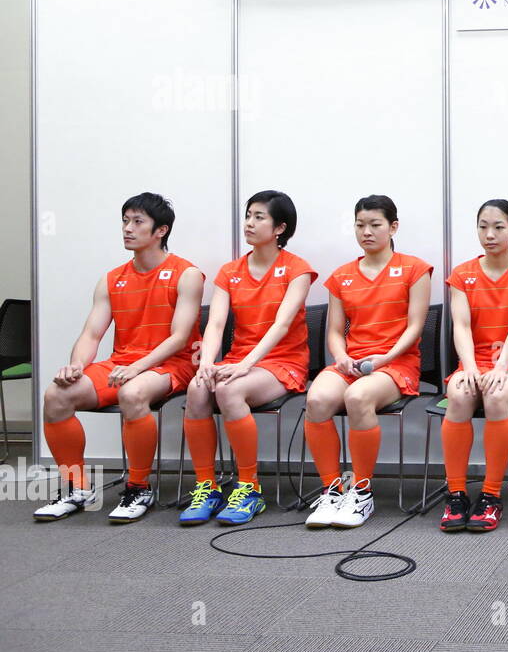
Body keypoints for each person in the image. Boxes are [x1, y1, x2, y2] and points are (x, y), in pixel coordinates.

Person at [35, 193, 203, 523]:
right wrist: (77, 366)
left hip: (174, 364)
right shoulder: (111, 279)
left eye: (137, 222)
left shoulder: (187, 274)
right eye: (125, 221)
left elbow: (180, 337)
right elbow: (91, 334)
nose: (127, 228)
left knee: (133, 393)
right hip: (123, 362)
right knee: (57, 395)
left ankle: (139, 487)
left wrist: (138, 368)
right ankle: (76, 486)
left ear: (161, 231)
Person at [179, 191, 316, 526]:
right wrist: (208, 363)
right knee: (198, 389)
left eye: (259, 217)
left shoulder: (297, 269)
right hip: (240, 359)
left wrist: (244, 365)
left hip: (282, 361)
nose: (250, 223)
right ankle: (206, 486)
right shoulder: (230, 272)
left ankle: (249, 487)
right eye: (248, 215)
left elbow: (282, 324)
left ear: (280, 227)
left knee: (228, 391)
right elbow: (215, 322)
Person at [301, 195, 432, 529]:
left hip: (396, 364)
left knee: (357, 398)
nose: (367, 232)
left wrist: (386, 356)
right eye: (360, 225)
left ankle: (361, 491)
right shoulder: (342, 275)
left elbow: (416, 325)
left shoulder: (415, 269)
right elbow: (334, 330)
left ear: (393, 227)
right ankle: (333, 487)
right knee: (316, 399)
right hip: (352, 362)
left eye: (375, 225)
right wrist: (342, 357)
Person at [439, 200, 508, 534]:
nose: (489, 234)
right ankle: (456, 493)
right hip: (475, 361)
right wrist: (470, 366)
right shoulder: (462, 274)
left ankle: (490, 495)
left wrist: (501, 366)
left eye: (499, 227)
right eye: (483, 226)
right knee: (459, 395)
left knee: (496, 396)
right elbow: (460, 326)